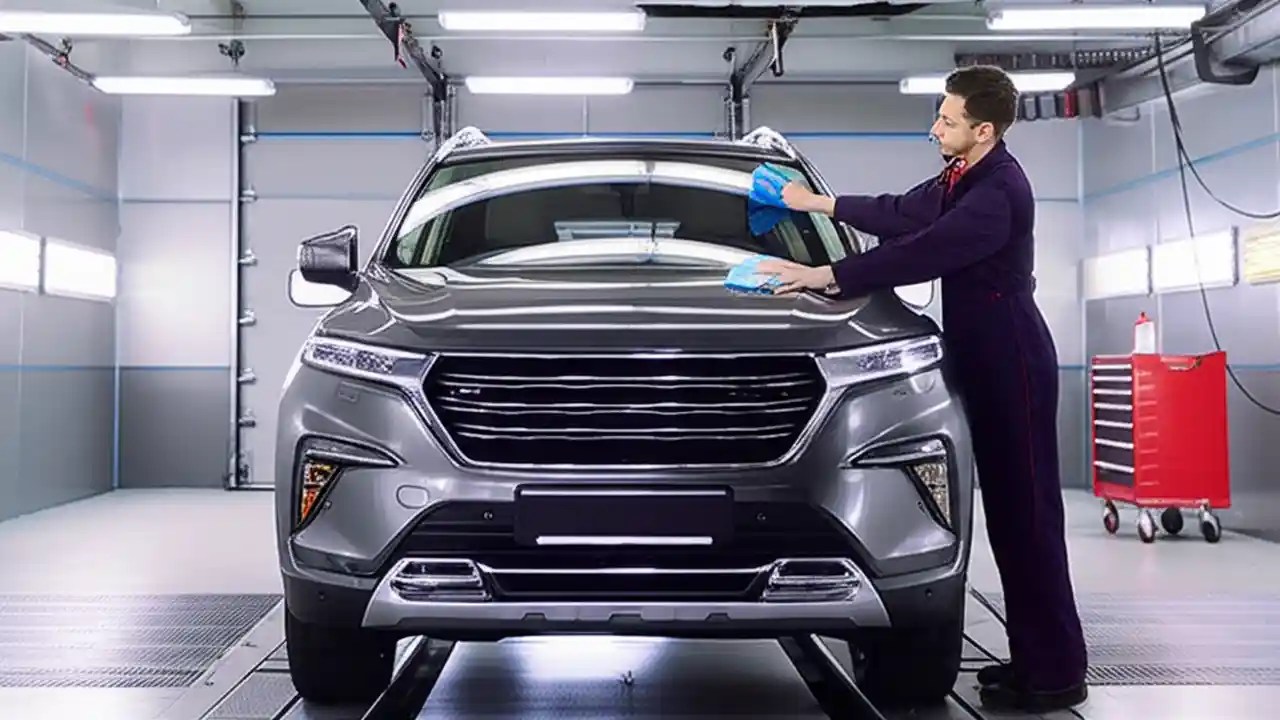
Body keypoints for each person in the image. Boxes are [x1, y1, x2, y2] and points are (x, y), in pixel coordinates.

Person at [759, 65, 1089, 713]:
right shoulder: (961, 177)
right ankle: (1034, 664)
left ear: (983, 130)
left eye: (946, 118)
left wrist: (823, 275)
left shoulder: (999, 191)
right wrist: (814, 205)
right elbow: (901, 213)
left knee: (1028, 519)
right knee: (1006, 519)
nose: (934, 126)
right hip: (980, 352)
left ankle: (1055, 674)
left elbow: (922, 249)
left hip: (1011, 357)